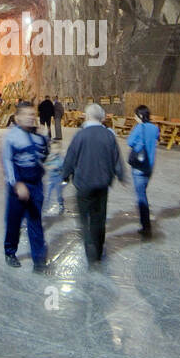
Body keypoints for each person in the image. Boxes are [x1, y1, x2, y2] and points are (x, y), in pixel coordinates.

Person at [61, 103, 127, 264]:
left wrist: (64, 175)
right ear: (102, 117)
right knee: (99, 217)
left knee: (85, 217)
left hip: (83, 183)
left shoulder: (80, 136)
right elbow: (116, 158)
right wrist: (121, 175)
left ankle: (89, 246)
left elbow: (71, 157)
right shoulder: (109, 135)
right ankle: (98, 249)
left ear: (87, 116)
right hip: (102, 184)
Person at [1, 101, 50, 271]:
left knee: (35, 222)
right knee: (14, 221)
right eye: (27, 114)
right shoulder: (12, 136)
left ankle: (38, 259)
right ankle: (10, 251)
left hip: (35, 184)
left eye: (32, 114)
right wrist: (16, 184)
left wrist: (46, 140)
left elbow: (43, 157)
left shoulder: (38, 135)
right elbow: (7, 160)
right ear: (17, 117)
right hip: (18, 186)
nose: (31, 118)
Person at [126, 104, 159, 238]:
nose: (134, 118)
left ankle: (146, 225)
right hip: (150, 165)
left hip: (139, 167)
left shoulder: (139, 128)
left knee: (141, 196)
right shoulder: (155, 128)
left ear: (140, 115)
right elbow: (155, 139)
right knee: (143, 191)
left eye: (135, 115)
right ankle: (145, 221)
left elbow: (129, 142)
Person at [44, 142, 66, 215]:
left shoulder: (60, 158)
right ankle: (46, 206)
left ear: (59, 149)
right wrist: (46, 166)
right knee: (48, 192)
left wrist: (55, 167)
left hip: (58, 178)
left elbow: (61, 165)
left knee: (59, 193)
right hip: (51, 178)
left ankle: (61, 205)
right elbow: (46, 164)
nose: (54, 150)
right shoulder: (50, 157)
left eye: (56, 148)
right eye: (53, 148)